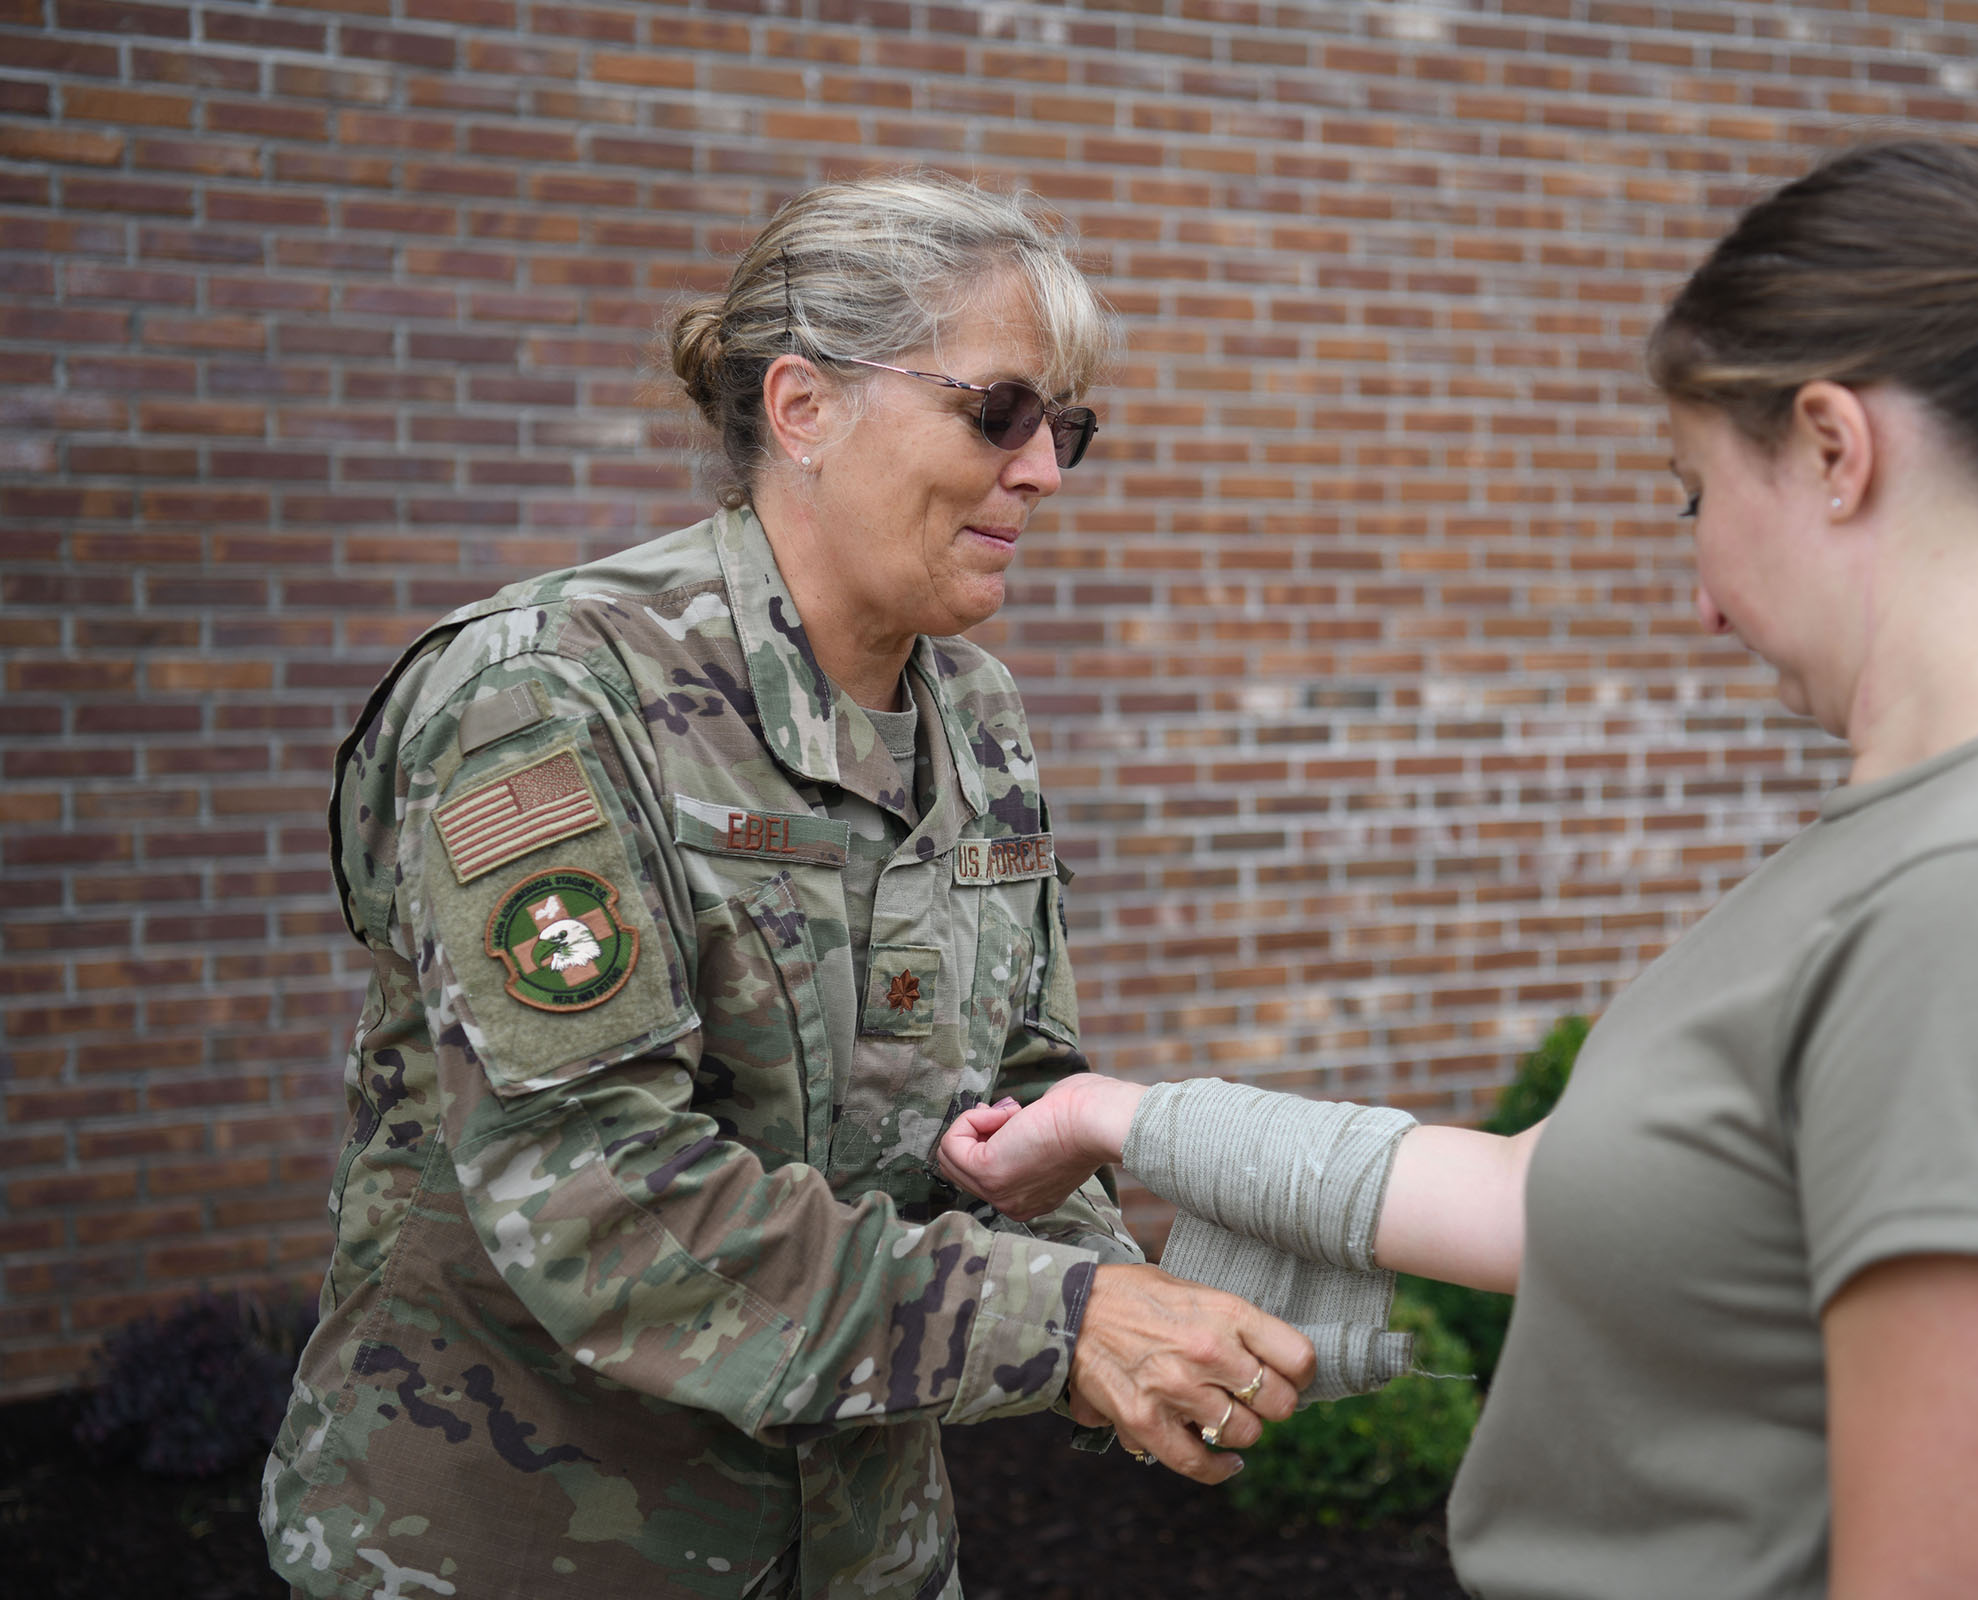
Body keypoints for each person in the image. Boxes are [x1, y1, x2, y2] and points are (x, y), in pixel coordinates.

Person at [939, 139, 1978, 1600]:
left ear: (1836, 449)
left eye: (1693, 494)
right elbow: (1550, 1194)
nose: (1702, 599)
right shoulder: (1958, 845)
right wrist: (1127, 1120)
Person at [260, 174, 1313, 1600]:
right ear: (804, 406)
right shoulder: (549, 697)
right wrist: (1061, 1323)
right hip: (534, 1557)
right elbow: (602, 1202)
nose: (1046, 472)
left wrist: (1132, 1315)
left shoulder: (976, 715)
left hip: (865, 1558)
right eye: (998, 412)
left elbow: (1012, 1097)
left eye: (1068, 428)